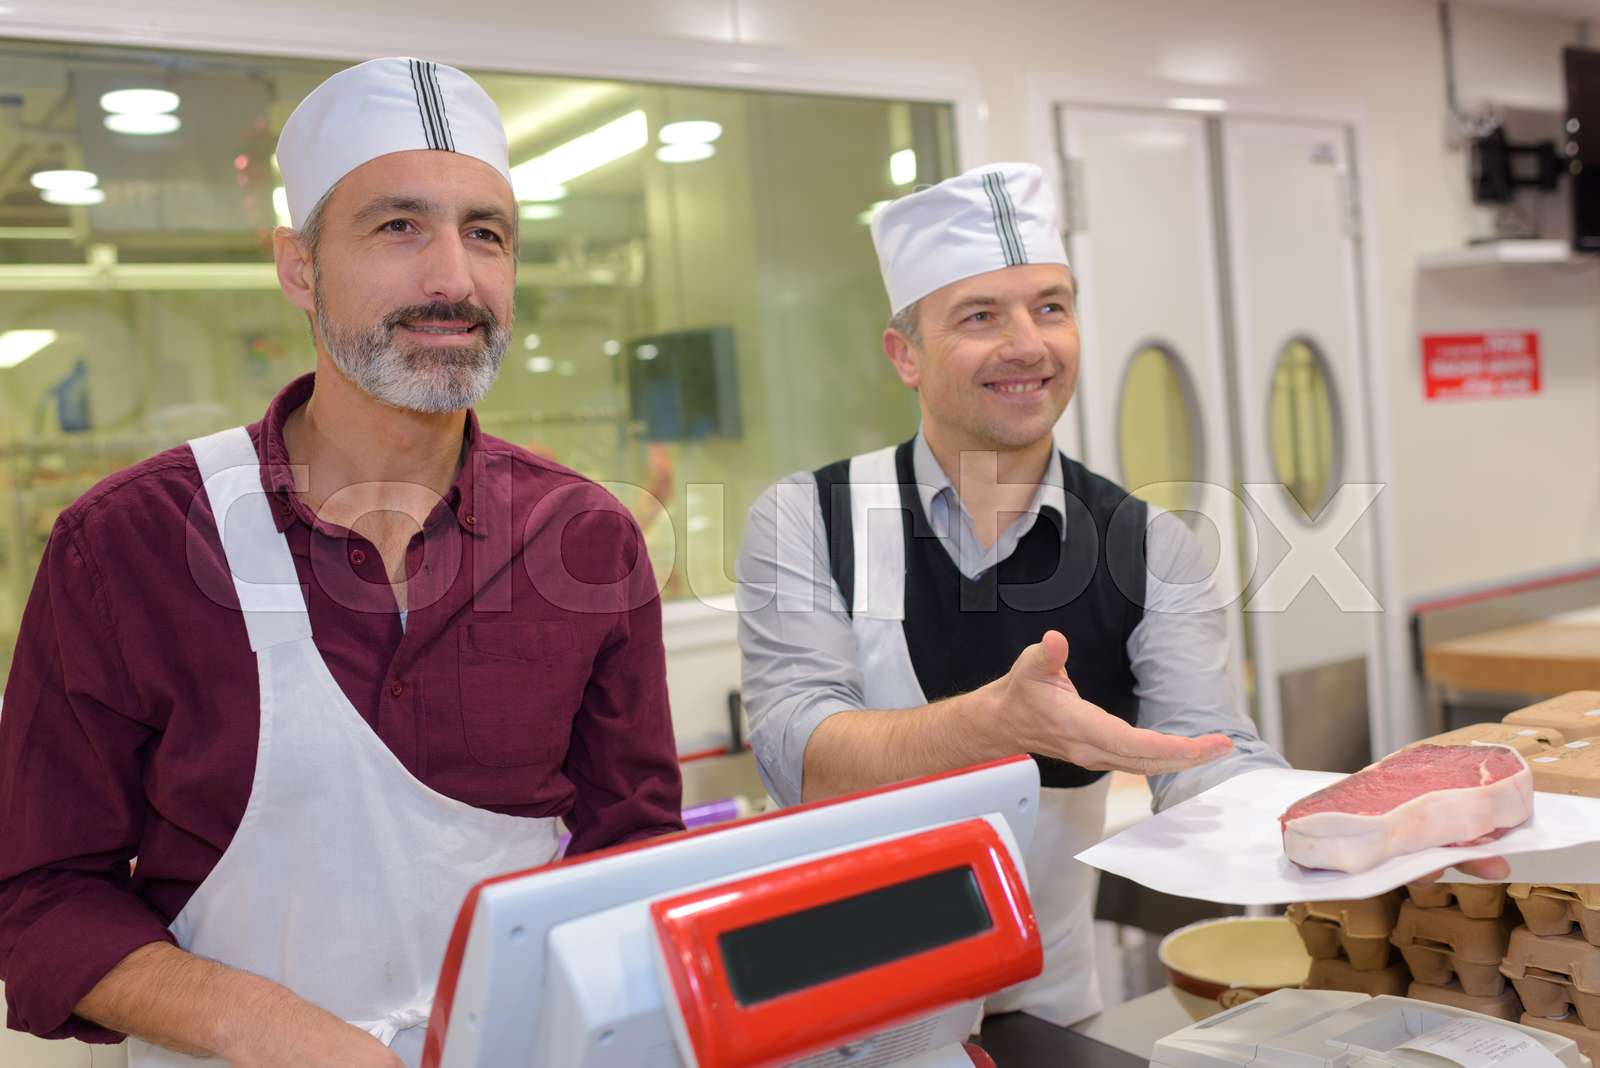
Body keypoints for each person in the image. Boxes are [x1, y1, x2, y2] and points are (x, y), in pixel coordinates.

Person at [0, 58, 681, 1068]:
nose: (453, 276)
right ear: (299, 266)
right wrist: (274, 1032)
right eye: (398, 226)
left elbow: (633, 850)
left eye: (485, 233)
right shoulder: (128, 545)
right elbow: (42, 900)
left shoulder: (585, 537)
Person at [735, 162, 1507, 1027]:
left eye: (1051, 306)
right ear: (904, 355)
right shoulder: (811, 517)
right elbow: (794, 750)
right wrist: (987, 726)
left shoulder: (1147, 547)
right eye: (980, 315)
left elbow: (1204, 757)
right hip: (831, 999)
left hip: (1036, 997)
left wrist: (1374, 838)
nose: (1028, 343)